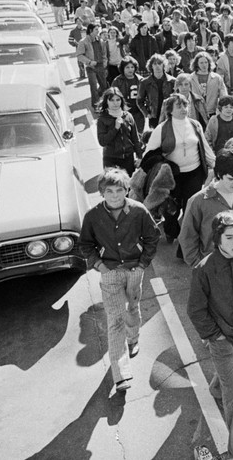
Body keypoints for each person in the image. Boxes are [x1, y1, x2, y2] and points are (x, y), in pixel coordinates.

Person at [187, 211, 233, 460]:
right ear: (217, 238)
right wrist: (214, 335)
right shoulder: (204, 269)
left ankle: (213, 392)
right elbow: (195, 310)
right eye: (229, 237)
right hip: (220, 339)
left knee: (225, 380)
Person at [79, 168, 160, 392]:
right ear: (102, 192)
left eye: (120, 190)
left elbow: (153, 237)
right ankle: (121, 374)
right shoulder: (93, 216)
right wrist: (100, 266)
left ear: (127, 190)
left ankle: (133, 337)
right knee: (115, 319)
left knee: (132, 308)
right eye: (109, 191)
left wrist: (143, 264)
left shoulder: (138, 211)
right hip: (110, 272)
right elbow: (86, 245)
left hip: (135, 269)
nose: (115, 195)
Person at [144, 93, 215, 244]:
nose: (184, 109)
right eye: (179, 106)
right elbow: (149, 154)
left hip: (194, 173)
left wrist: (217, 165)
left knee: (191, 206)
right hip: (172, 177)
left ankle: (187, 241)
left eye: (185, 105)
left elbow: (205, 148)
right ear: (170, 110)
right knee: (172, 208)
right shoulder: (161, 129)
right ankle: (171, 231)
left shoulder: (195, 125)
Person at [96, 87, 141, 176]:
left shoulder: (128, 116)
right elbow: (102, 141)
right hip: (111, 160)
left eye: (118, 100)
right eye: (112, 100)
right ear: (106, 102)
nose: (115, 103)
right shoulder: (102, 119)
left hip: (128, 158)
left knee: (128, 187)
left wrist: (139, 156)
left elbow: (135, 138)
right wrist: (115, 128)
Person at [137, 53, 175, 130]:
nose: (157, 66)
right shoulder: (145, 82)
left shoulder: (172, 81)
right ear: (151, 66)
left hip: (169, 114)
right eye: (155, 64)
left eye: (160, 63)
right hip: (154, 116)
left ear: (164, 65)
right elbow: (139, 100)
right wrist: (147, 114)